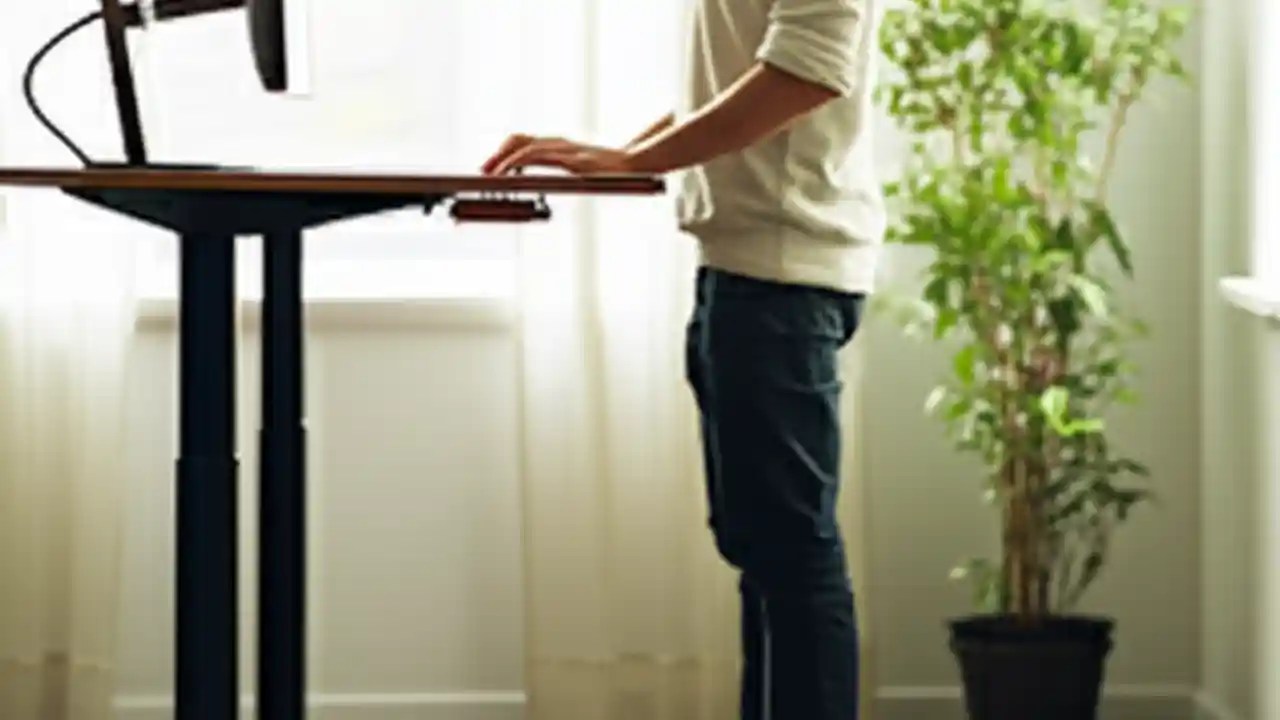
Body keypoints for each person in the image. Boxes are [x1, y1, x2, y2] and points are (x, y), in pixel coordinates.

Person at [483, 0, 884, 717]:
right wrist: (618, 156)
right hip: (749, 267)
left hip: (780, 275)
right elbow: (742, 79)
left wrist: (638, 161)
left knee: (792, 558)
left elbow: (806, 74)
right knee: (765, 553)